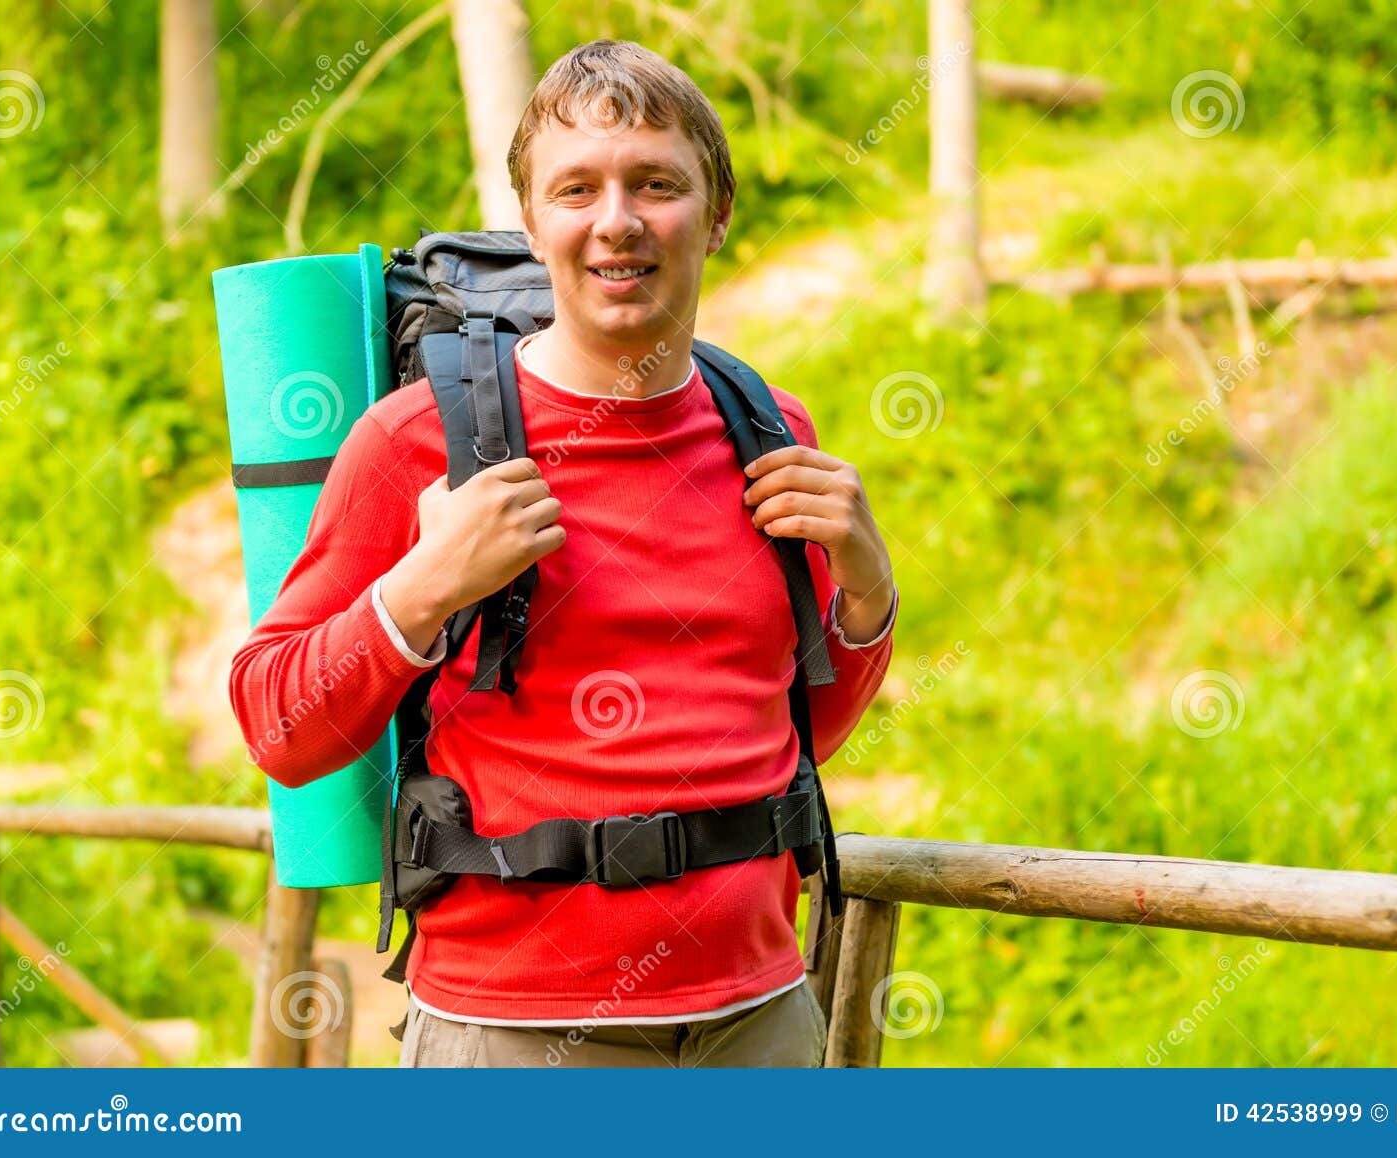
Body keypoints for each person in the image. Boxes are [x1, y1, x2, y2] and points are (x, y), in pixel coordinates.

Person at [229, 38, 898, 1068]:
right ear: (532, 223)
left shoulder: (769, 427)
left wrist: (866, 593)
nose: (618, 220)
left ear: (716, 216)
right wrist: (423, 587)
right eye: (576, 188)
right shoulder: (416, 442)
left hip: (762, 1016)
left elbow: (800, 725)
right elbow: (277, 722)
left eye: (657, 183)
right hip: (517, 1037)